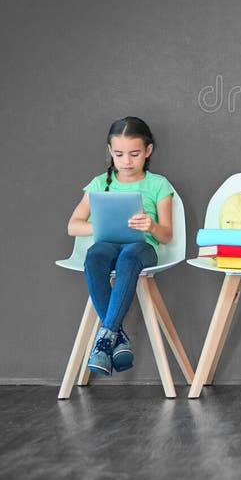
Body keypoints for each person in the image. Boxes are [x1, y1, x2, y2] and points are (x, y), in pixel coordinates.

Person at [67, 116, 174, 376]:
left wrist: (151, 226)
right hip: (108, 244)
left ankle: (106, 337)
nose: (126, 161)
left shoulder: (158, 184)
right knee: (95, 256)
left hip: (141, 248)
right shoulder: (98, 184)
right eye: (119, 154)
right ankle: (117, 337)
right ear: (110, 151)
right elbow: (73, 226)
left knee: (129, 257)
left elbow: (167, 235)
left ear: (148, 151)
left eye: (134, 154)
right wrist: (100, 225)